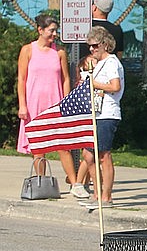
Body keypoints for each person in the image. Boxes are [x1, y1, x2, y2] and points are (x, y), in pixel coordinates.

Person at [16, 13, 78, 193]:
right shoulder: (28, 50)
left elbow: (66, 79)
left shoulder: (59, 52)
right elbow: (21, 79)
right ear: (40, 30)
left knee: (63, 145)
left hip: (55, 102)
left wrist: (66, 102)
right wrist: (22, 104)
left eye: (56, 31)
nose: (54, 34)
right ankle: (41, 183)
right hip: (34, 102)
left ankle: (75, 184)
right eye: (51, 31)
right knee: (38, 146)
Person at [74, 27, 123, 209]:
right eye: (90, 46)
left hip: (107, 113)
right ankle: (96, 192)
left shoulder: (111, 62)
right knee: (88, 154)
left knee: (103, 154)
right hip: (95, 112)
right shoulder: (98, 63)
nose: (92, 49)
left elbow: (115, 86)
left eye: (95, 46)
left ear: (104, 44)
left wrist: (93, 84)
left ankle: (106, 197)